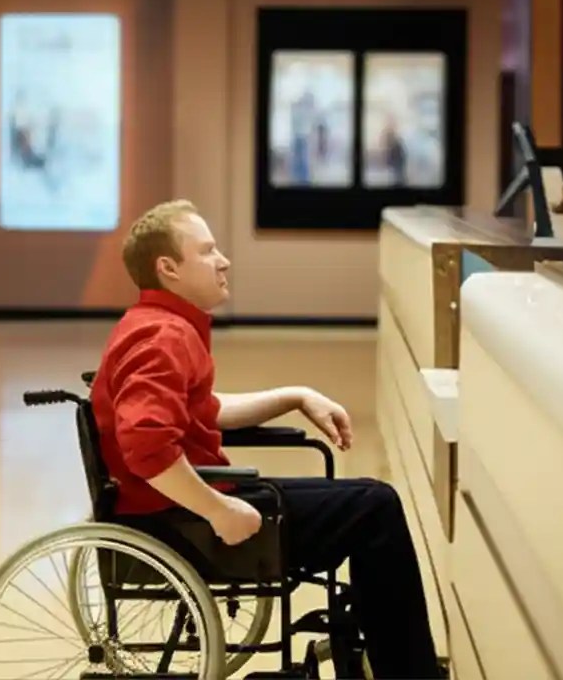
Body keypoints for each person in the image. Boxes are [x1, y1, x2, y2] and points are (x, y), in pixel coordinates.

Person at [88, 199, 442, 679]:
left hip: (179, 507)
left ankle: (390, 658)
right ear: (168, 268)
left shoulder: (160, 327)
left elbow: (207, 411)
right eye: (208, 251)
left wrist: (296, 396)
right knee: (374, 508)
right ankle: (407, 670)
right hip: (182, 523)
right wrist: (218, 510)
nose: (223, 260)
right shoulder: (162, 338)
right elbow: (147, 447)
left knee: (368, 502)